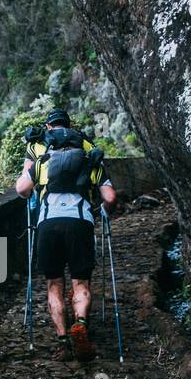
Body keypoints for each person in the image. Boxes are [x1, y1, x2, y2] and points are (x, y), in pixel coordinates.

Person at [16, 108, 117, 361]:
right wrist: (103, 210)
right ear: (71, 130)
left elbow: (21, 189)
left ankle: (63, 342)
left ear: (49, 129)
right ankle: (81, 323)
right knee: (80, 283)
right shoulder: (88, 159)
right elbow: (110, 197)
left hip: (48, 224)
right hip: (80, 223)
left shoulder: (43, 161)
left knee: (54, 285)